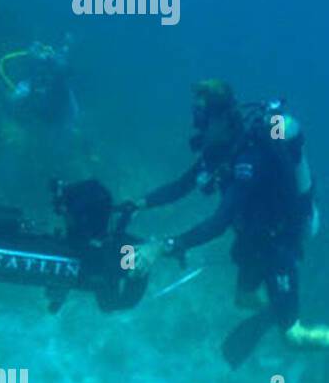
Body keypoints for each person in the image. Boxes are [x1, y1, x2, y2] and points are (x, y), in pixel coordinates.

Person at [126, 79, 327, 356]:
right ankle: (276, 309)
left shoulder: (249, 160)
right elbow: (181, 186)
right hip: (254, 238)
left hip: (280, 243)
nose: (197, 124)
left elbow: (220, 222)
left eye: (202, 117)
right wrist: (136, 204)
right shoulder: (220, 153)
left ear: (222, 119)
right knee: (244, 298)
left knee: (293, 336)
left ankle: (285, 316)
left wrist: (162, 247)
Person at [0, 38, 79, 124]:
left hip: (56, 112)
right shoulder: (31, 74)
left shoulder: (55, 71)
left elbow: (67, 72)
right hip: (43, 113)